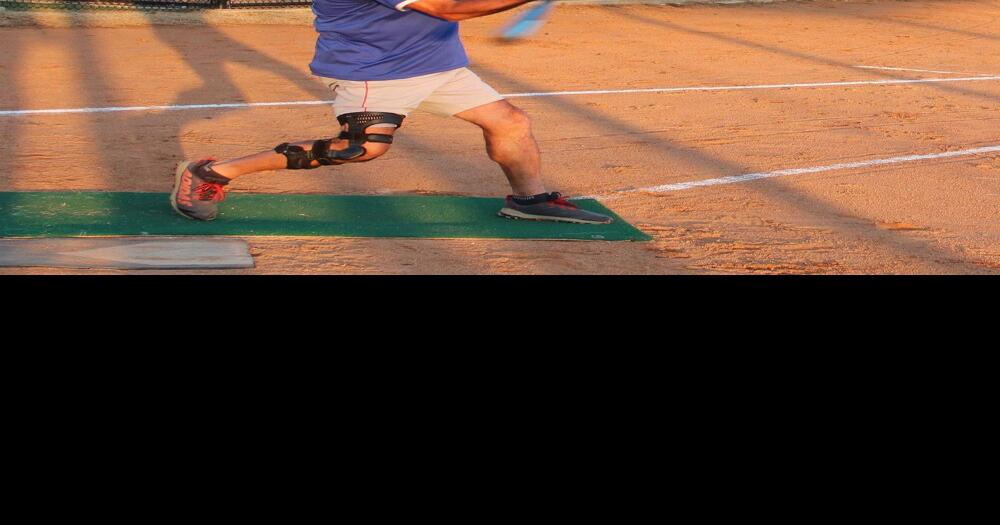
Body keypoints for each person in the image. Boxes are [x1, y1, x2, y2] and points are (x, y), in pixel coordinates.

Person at [170, 0, 612, 225]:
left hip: (437, 65)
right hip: (374, 73)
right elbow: (446, 7)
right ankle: (214, 173)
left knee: (510, 121)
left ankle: (529, 200)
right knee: (359, 150)